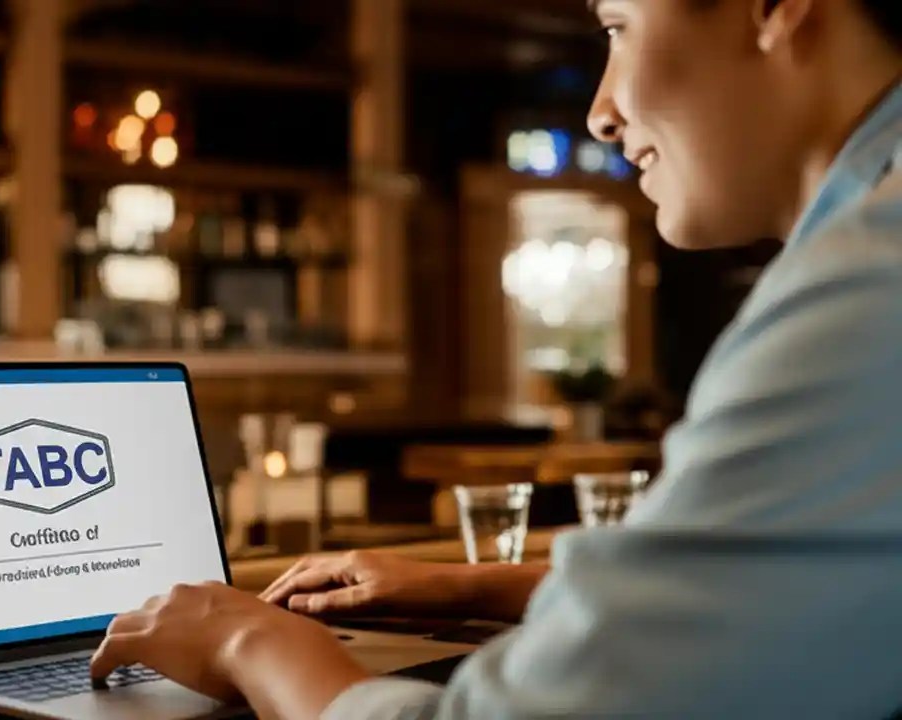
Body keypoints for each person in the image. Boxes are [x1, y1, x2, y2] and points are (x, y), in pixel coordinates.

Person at [89, 0, 902, 716]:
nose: (601, 113)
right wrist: (480, 584)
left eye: (618, 27)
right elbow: (799, 587)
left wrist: (249, 644)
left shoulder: (866, 290)